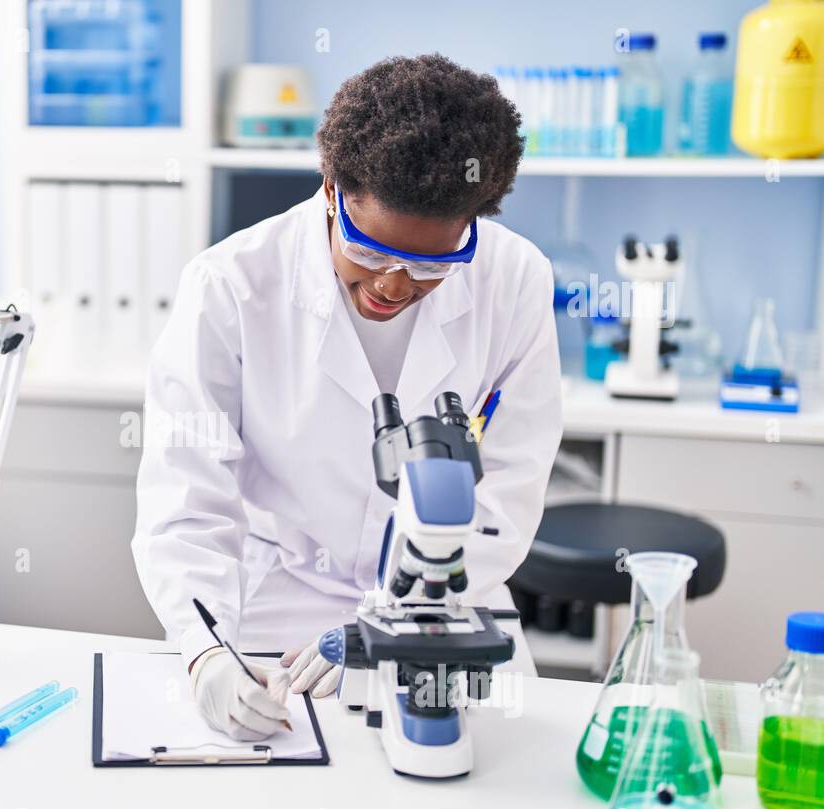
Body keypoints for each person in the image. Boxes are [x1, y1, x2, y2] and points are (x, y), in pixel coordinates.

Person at [132, 55, 563, 741]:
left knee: (501, 783)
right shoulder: (229, 288)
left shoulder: (514, 279)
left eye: (431, 266)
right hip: (276, 592)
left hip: (446, 595)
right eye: (368, 250)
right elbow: (186, 499)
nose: (394, 285)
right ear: (330, 188)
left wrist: (395, 616)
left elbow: (509, 485)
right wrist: (204, 650)